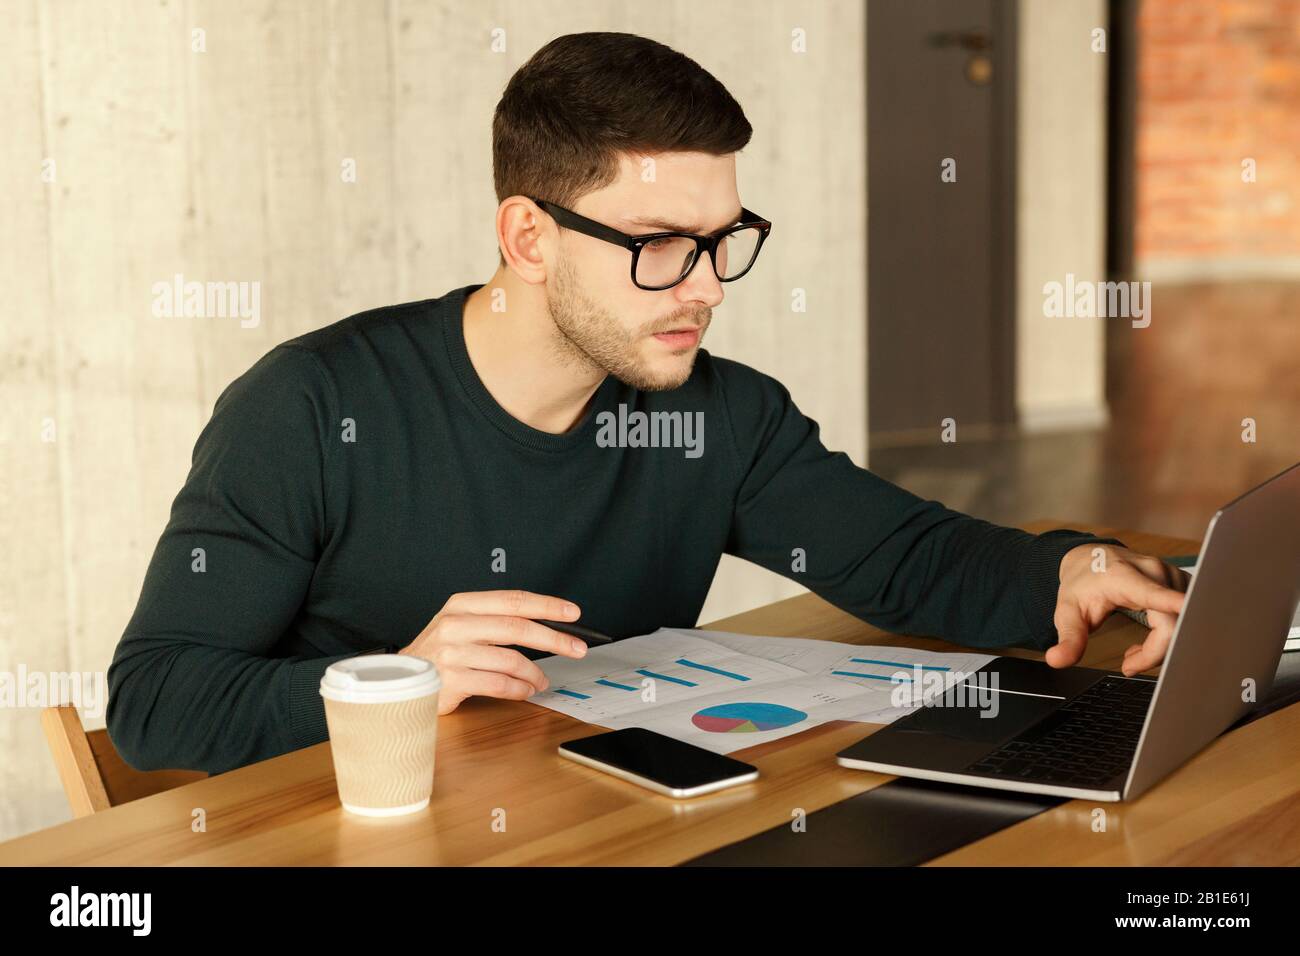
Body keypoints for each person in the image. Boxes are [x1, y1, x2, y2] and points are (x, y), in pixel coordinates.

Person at [107, 32, 1188, 774]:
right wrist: (393, 680)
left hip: (595, 817)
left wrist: (1075, 567)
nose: (708, 284)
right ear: (528, 237)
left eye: (722, 239)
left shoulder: (721, 416)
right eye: (660, 246)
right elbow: (157, 700)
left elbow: (905, 560)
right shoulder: (309, 406)